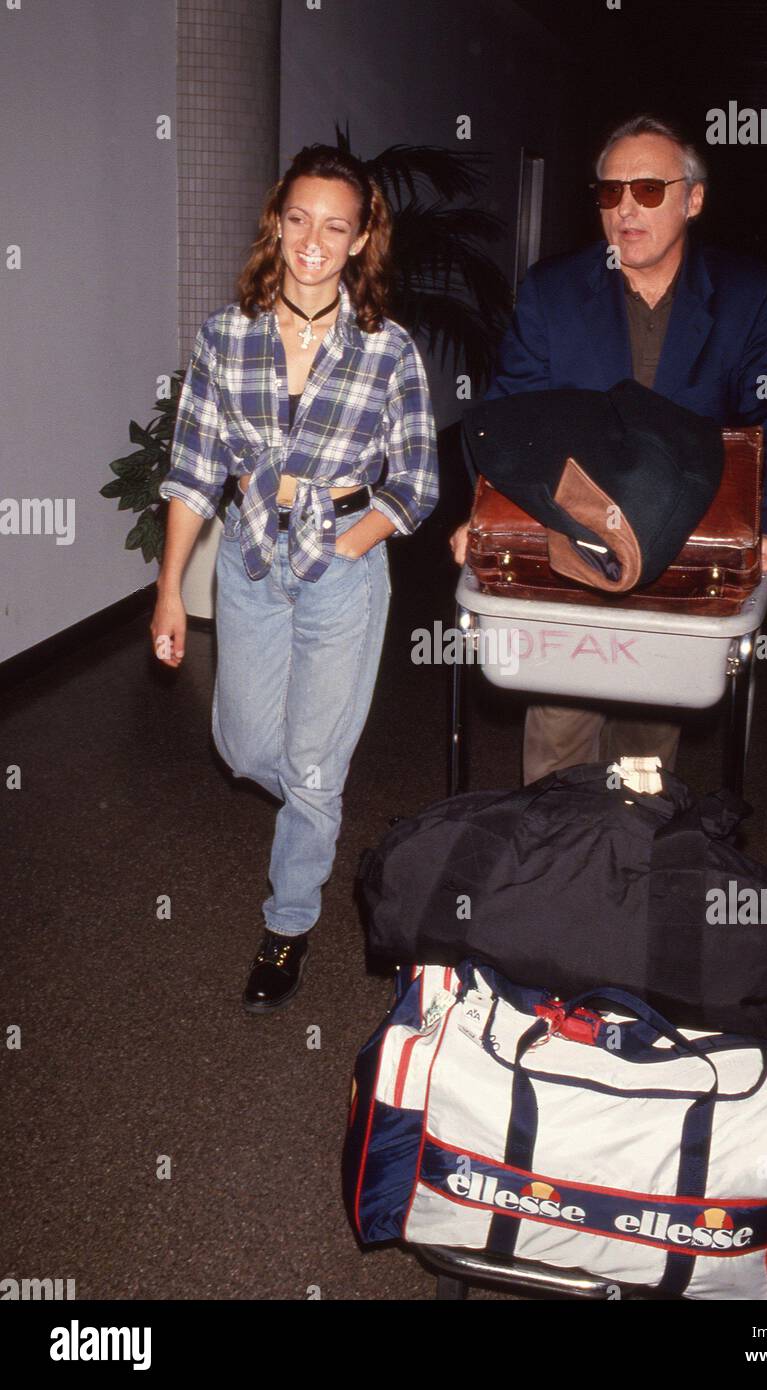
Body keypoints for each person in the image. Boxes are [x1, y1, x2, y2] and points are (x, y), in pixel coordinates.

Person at [152, 144, 439, 1013]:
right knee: (242, 747)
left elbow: (419, 478)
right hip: (248, 561)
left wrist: (355, 543)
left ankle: (288, 924)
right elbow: (194, 467)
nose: (315, 241)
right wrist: (170, 587)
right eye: (300, 219)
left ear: (360, 242)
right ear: (278, 223)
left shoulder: (387, 349)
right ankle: (321, 806)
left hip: (341, 571)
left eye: (336, 227)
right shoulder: (225, 335)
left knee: (312, 765)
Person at [450, 113, 767, 784]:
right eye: (610, 192)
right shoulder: (554, 292)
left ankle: (629, 862)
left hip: (681, 544)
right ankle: (556, 866)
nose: (626, 209)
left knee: (648, 740)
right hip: (569, 535)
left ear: (692, 199)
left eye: (647, 189)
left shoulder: (750, 297)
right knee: (558, 726)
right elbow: (506, 415)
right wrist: (486, 518)